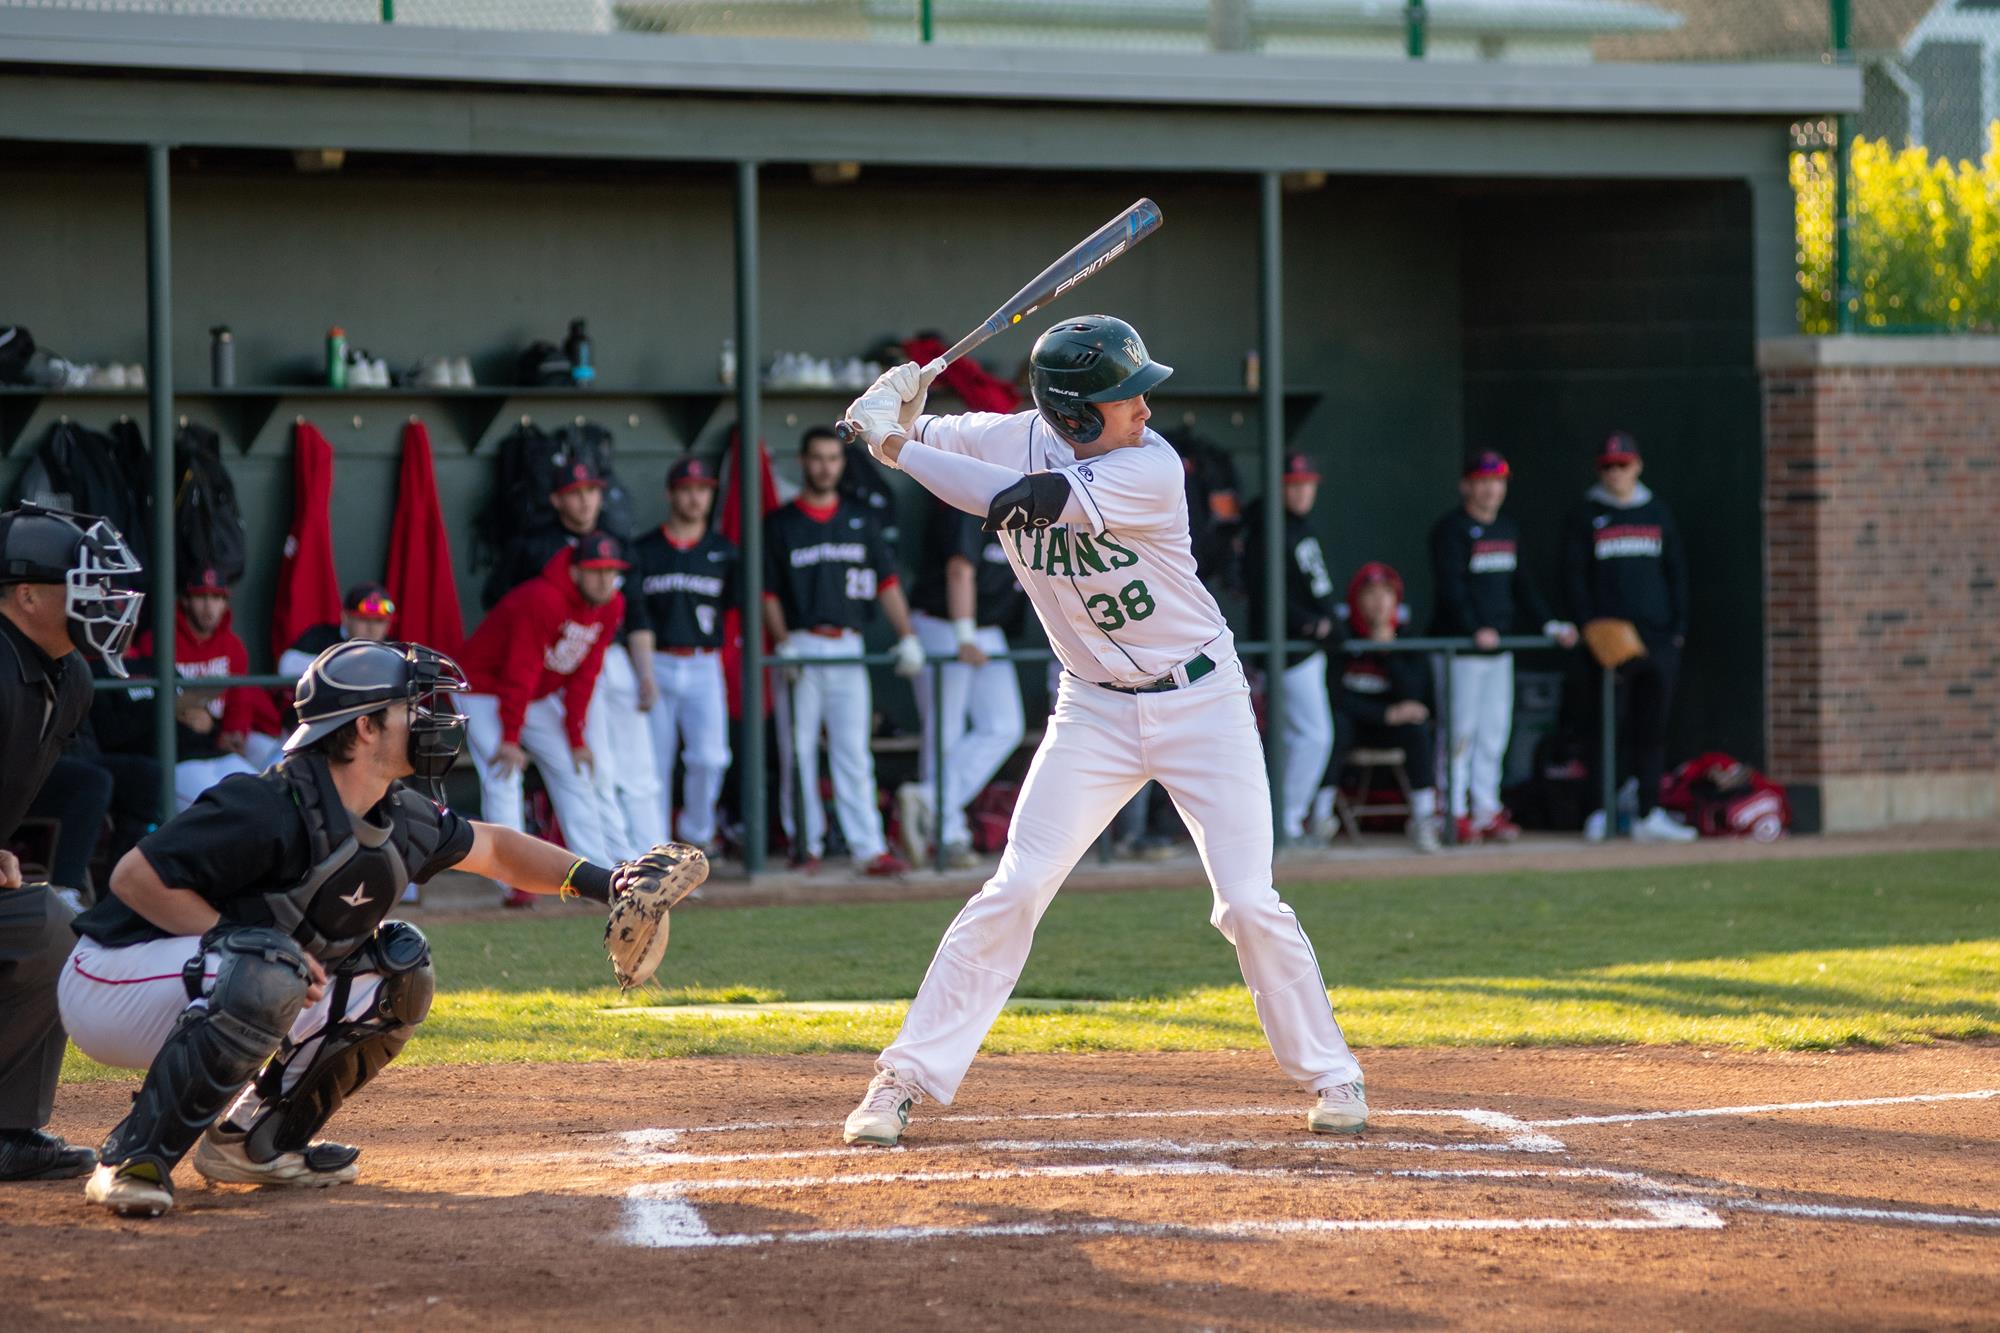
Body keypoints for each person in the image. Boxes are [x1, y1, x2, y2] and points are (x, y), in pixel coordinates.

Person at [836, 315, 1366, 1145]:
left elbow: (1019, 502)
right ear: (1073, 415)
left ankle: (1335, 1075)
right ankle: (901, 1076)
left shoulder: (1152, 467)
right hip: (1092, 709)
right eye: (1125, 397)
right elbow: (926, 433)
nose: (1145, 408)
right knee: (1015, 887)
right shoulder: (1012, 434)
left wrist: (892, 447)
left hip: (1202, 699)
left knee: (1248, 901)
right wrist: (896, 408)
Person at [57, 639, 680, 1218]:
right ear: (363, 727)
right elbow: (133, 877)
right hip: (111, 977)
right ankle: (131, 1159)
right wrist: (231, 936)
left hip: (222, 980)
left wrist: (611, 883)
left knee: (398, 969)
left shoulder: (396, 813)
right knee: (267, 965)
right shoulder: (265, 803)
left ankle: (253, 1140)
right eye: (409, 708)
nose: (428, 719)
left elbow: (497, 850)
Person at [0, 504, 142, 1182]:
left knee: (55, 928)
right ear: (25, 595)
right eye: (80, 582)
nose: (102, 598)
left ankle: (9, 1128)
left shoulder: (72, 678)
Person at [762, 426, 922, 877]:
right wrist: (783, 640)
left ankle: (868, 848)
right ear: (803, 461)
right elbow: (767, 592)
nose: (826, 466)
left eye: (833, 458)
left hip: (848, 647)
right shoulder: (780, 523)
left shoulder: (860, 517)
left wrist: (906, 635)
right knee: (798, 752)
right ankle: (803, 844)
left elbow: (888, 582)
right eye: (817, 458)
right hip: (801, 645)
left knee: (853, 752)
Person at [493, 455, 664, 866]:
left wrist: (646, 673)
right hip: (556, 664)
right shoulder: (535, 544)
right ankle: (610, 865)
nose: (586, 501)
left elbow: (636, 611)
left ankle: (654, 859)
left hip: (610, 656)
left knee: (637, 771)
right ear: (556, 500)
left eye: (591, 492)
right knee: (595, 767)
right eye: (575, 494)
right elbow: (507, 608)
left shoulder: (616, 540)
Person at [457, 534, 627, 901]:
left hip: (534, 693)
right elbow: (521, 668)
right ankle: (513, 879)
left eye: (611, 572)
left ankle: (597, 874)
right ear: (577, 571)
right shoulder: (544, 597)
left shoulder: (611, 605)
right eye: (596, 571)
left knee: (572, 767)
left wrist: (577, 736)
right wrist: (510, 738)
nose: (604, 580)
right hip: (484, 687)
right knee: (504, 771)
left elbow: (586, 673)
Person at [1428, 451, 1577, 843]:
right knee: (1459, 733)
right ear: (1467, 486)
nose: (1491, 489)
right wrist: (1474, 627)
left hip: (1499, 650)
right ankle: (1453, 811)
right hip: (1460, 650)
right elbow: (1451, 589)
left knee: (1494, 731)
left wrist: (1550, 624)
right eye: (1483, 480)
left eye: (1498, 481)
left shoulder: (1507, 529)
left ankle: (1485, 809)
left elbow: (1523, 585)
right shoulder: (1451, 530)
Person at [1560, 432, 1696, 844]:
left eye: (1622, 465)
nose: (1615, 473)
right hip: (1610, 639)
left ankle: (1648, 811)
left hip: (1656, 638)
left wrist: (1677, 630)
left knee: (1651, 728)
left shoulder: (1657, 513)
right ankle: (1601, 810)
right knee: (1607, 726)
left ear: (1637, 466)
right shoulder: (1587, 515)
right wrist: (1588, 624)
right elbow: (1573, 577)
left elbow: (1676, 573)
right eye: (1608, 466)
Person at [897, 495, 1028, 870]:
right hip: (946, 623)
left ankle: (929, 800)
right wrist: (964, 634)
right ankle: (948, 835)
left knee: (1004, 726)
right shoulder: (969, 498)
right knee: (946, 731)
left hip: (988, 628)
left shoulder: (1028, 502)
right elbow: (960, 568)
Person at [628, 456, 737, 853]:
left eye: (703, 490)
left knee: (711, 758)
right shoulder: (645, 550)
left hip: (705, 661)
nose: (695, 498)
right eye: (688, 489)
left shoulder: (724, 551)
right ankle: (655, 850)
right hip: (657, 660)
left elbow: (734, 611)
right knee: (654, 764)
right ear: (670, 494)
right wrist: (643, 672)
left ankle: (696, 837)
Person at [1241, 451, 1340, 846]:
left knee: (1294, 737)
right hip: (1291, 650)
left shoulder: (1300, 527)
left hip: (1304, 650)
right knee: (1314, 736)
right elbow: (1267, 594)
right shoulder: (1267, 529)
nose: (1301, 492)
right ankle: (1288, 820)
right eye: (1293, 485)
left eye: (1307, 484)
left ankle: (1282, 821)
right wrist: (1308, 623)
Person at [132, 568, 286, 810]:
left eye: (216, 598)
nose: (209, 607)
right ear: (185, 599)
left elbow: (240, 697)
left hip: (216, 742)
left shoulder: (233, 646)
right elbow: (144, 702)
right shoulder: (157, 641)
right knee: (221, 808)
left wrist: (235, 731)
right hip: (179, 748)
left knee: (266, 794)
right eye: (201, 597)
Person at [1322, 562, 1443, 853]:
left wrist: (1388, 651)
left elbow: (1416, 696)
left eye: (1385, 593)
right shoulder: (1343, 637)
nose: (1378, 601)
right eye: (1370, 593)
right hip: (1353, 726)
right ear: (1356, 599)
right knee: (1332, 726)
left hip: (1391, 729)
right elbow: (1333, 696)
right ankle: (1319, 818)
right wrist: (1384, 713)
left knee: (1417, 729)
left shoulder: (1408, 638)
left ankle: (1424, 818)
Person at [276, 582, 395, 680]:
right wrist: (340, 665)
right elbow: (286, 666)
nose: (372, 628)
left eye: (379, 621)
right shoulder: (320, 636)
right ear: (345, 617)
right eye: (363, 619)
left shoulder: (394, 648)